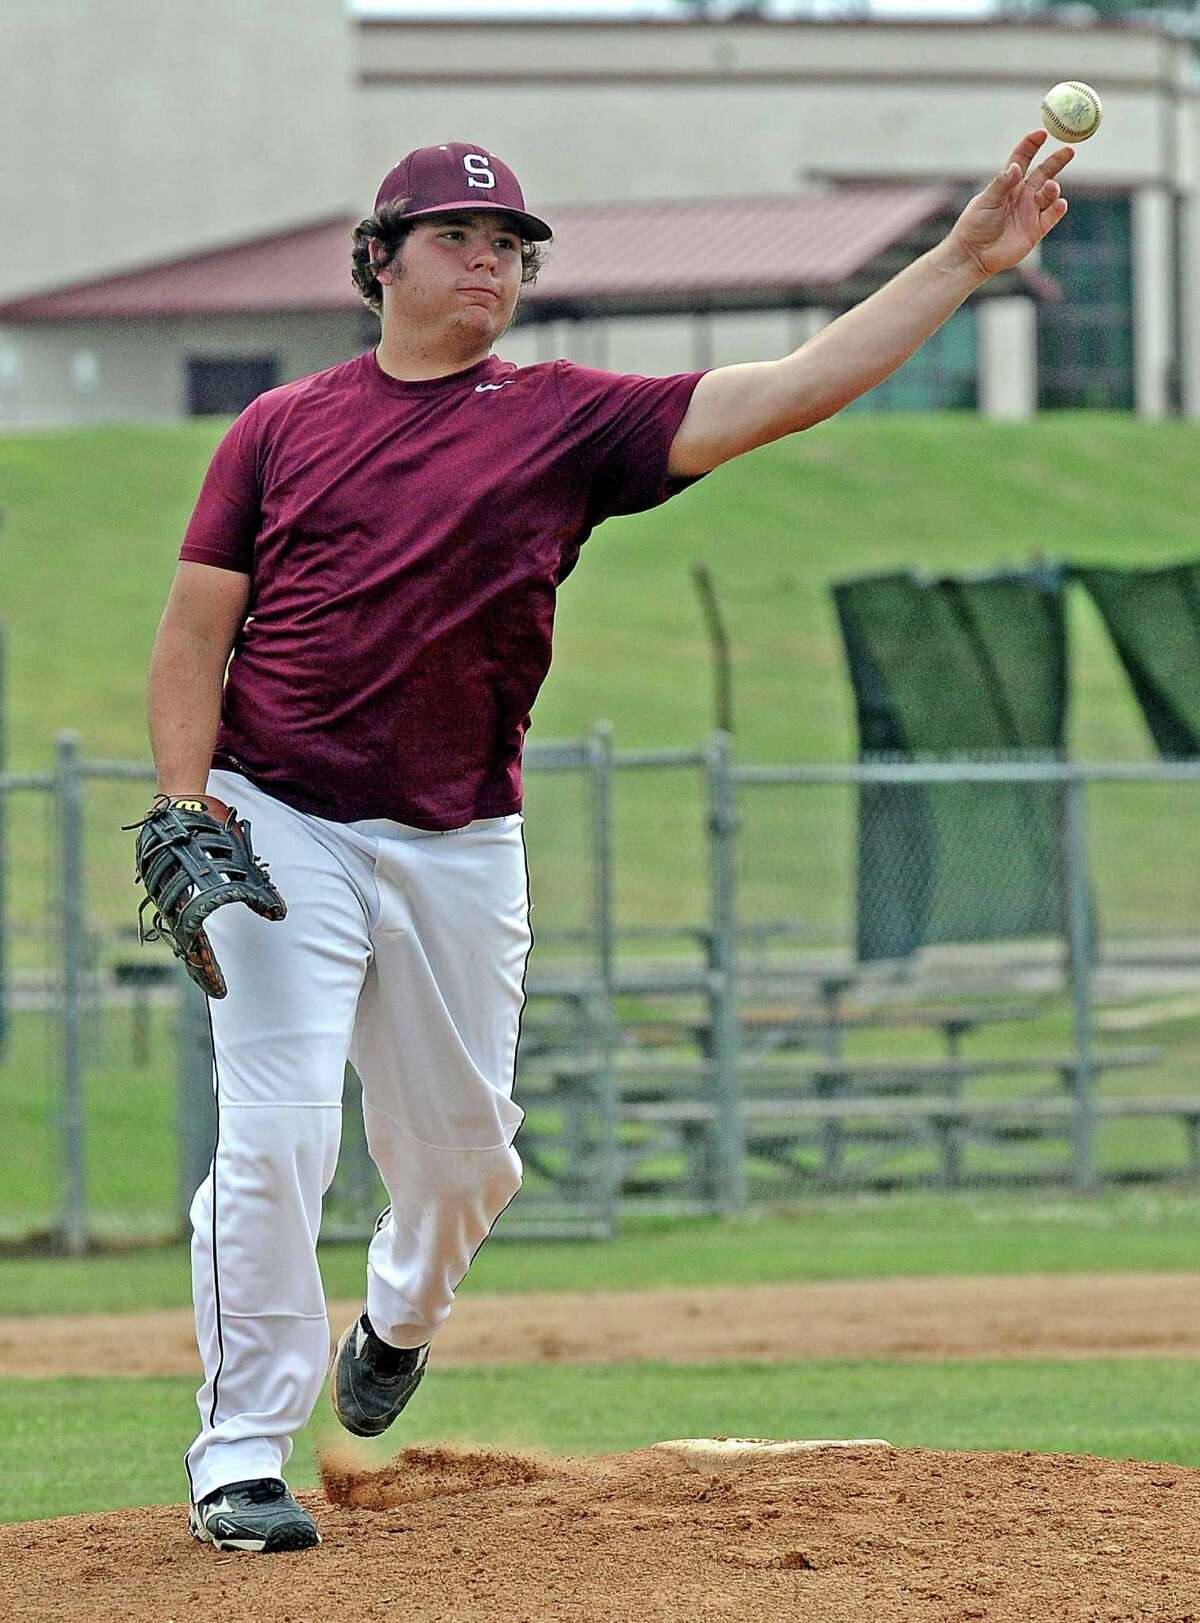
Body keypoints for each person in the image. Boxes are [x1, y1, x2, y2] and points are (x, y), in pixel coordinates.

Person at [148, 135, 1072, 1554]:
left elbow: (785, 392)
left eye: (512, 246)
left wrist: (958, 261)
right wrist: (188, 797)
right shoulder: (279, 428)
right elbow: (197, 633)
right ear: (380, 257)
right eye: (460, 236)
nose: (491, 263)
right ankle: (239, 1452)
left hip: (462, 837)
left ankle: (400, 1313)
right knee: (272, 1138)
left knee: (466, 1160)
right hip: (285, 817)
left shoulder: (562, 419)